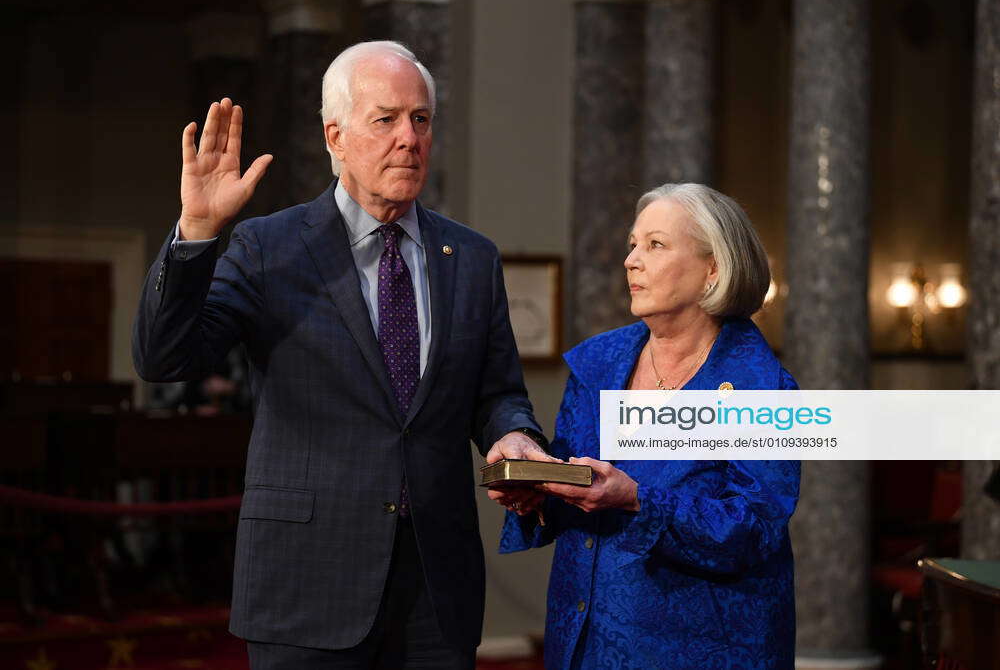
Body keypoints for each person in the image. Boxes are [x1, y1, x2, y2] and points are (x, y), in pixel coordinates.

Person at [133, 40, 553, 670]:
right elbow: (165, 358)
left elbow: (497, 394)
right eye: (386, 119)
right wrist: (196, 233)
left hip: (436, 589)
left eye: (420, 119)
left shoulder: (470, 257)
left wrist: (514, 434)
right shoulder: (269, 247)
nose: (409, 138)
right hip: (308, 580)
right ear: (336, 137)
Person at [491, 183, 800, 669]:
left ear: (713, 269)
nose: (631, 261)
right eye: (633, 244)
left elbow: (755, 530)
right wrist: (534, 488)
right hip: (584, 637)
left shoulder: (759, 385)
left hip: (701, 647)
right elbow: (575, 479)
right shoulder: (598, 363)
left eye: (655, 245)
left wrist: (636, 499)